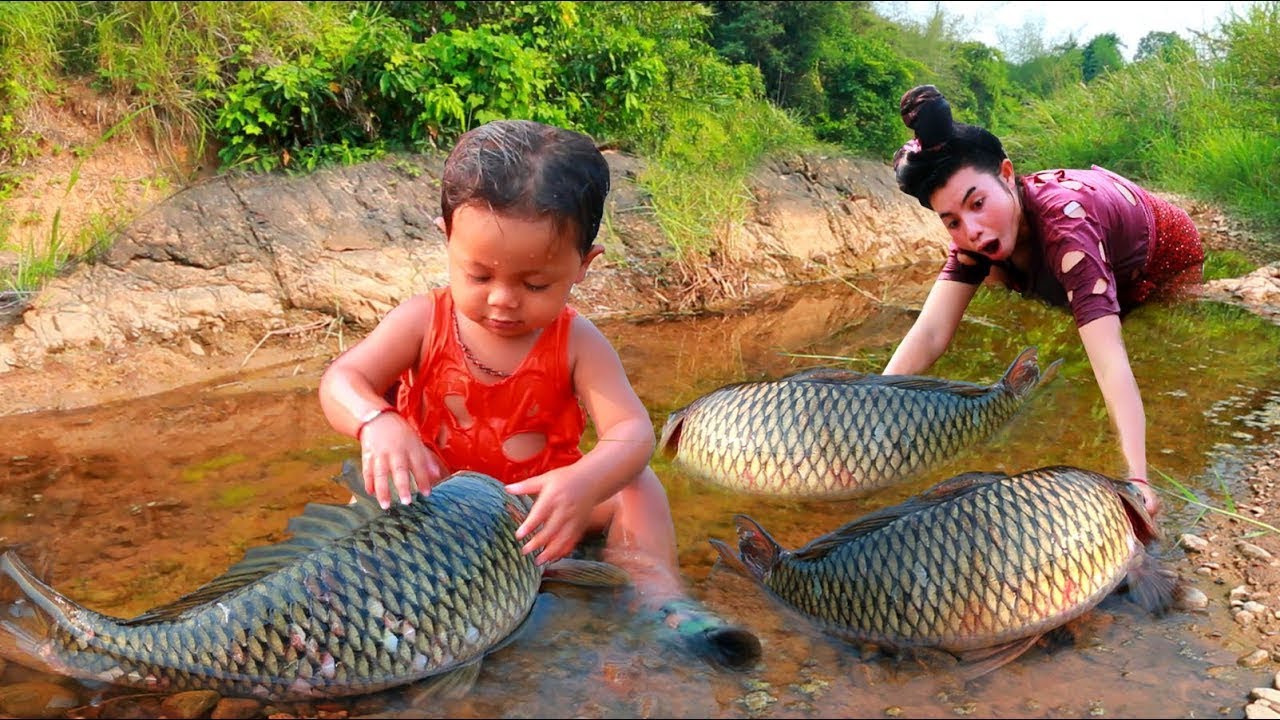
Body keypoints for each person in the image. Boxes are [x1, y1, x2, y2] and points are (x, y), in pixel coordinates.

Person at [317, 119, 759, 669]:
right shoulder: (420, 321)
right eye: (478, 276)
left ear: (583, 266)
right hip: (432, 512)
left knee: (635, 485)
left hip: (538, 509)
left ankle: (656, 593)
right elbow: (341, 381)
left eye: (535, 284)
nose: (503, 301)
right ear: (446, 240)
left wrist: (583, 483)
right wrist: (375, 421)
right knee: (362, 496)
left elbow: (631, 433)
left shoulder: (576, 342)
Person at [883, 85, 1205, 520]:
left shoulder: (1069, 233)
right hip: (1087, 227)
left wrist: (1137, 478)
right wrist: (874, 407)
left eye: (978, 203)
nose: (972, 229)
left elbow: (1109, 362)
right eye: (953, 221)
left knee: (1165, 343)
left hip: (1164, 247)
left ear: (1007, 173)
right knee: (1002, 274)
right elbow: (931, 332)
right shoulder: (977, 242)